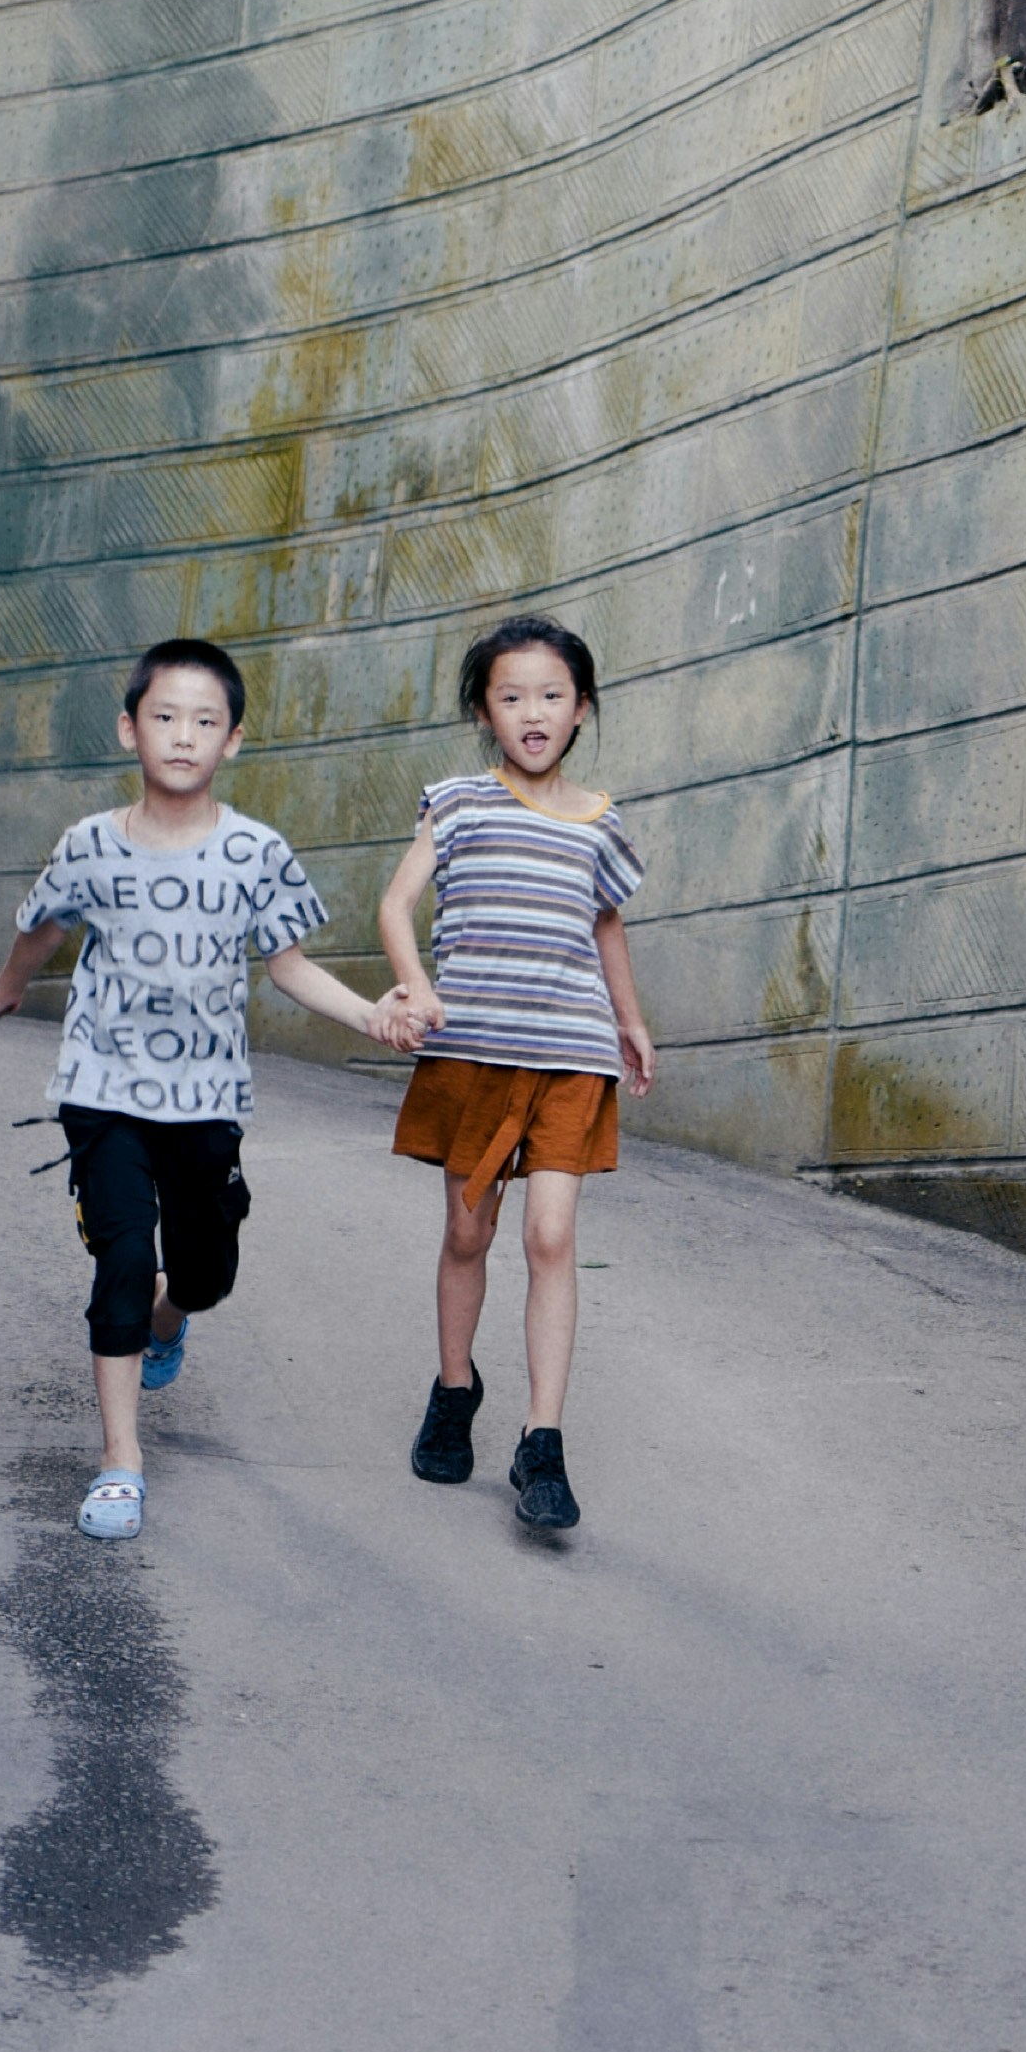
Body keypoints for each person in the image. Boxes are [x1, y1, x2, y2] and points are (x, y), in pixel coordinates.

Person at [0, 635, 410, 1541]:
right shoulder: (90, 843)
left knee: (202, 1274)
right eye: (164, 717)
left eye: (203, 721)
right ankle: (120, 1463)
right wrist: (8, 990)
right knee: (122, 1260)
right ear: (128, 728)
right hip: (104, 1091)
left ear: (233, 740)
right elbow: (41, 929)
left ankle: (173, 1317)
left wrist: (371, 1015)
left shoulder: (256, 851)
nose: (182, 735)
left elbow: (286, 964)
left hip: (207, 1100)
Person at [377, 612, 650, 1538]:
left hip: (570, 1056)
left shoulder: (600, 821)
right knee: (467, 1234)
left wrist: (630, 1021)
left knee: (549, 1238)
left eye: (551, 695)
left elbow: (605, 923)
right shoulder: (456, 802)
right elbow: (396, 903)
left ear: (581, 709)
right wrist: (415, 984)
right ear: (484, 711)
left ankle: (542, 1440)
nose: (532, 711)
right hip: (473, 1053)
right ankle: (455, 1389)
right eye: (510, 696)